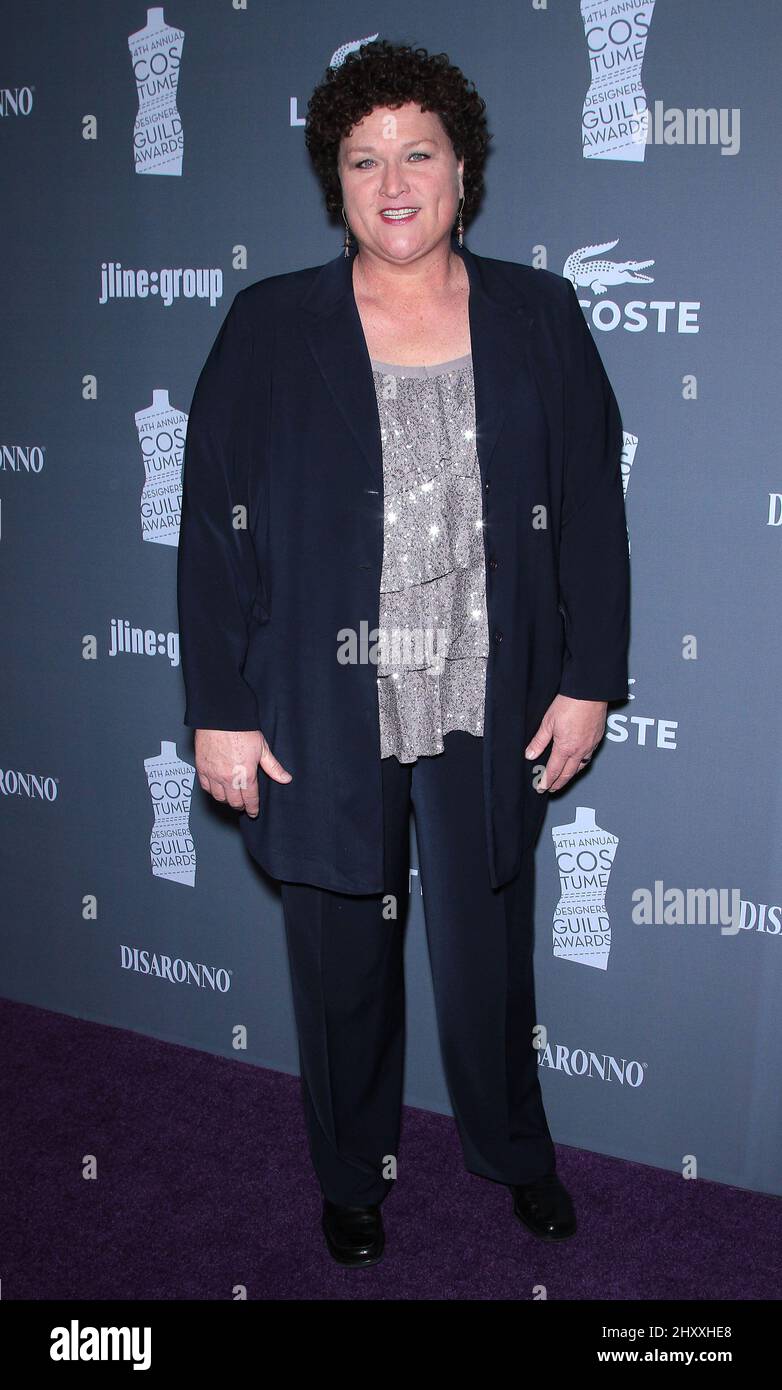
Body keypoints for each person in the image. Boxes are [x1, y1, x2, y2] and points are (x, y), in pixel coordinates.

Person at [176, 39, 630, 1269]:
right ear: (335, 178)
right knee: (340, 963)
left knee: (487, 959)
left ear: (461, 170)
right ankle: (351, 1173)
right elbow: (212, 523)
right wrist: (217, 704)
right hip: (324, 692)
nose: (391, 181)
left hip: (490, 683)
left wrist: (588, 677)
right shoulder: (273, 324)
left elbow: (587, 507)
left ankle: (511, 1150)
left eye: (415, 152)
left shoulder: (537, 313)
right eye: (361, 157)